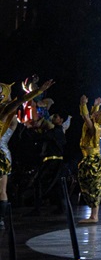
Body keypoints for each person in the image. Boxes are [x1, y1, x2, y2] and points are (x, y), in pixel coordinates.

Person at [1, 79, 52, 209]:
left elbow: (18, 102)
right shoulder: (7, 114)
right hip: (3, 152)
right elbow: (18, 102)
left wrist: (38, 91)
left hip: (1, 153)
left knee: (2, 190)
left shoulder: (6, 113)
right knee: (2, 189)